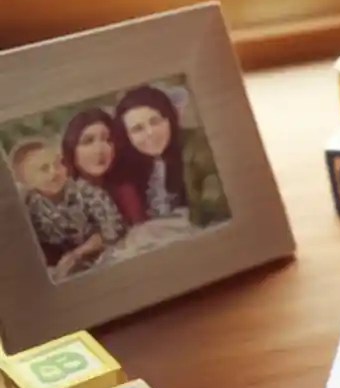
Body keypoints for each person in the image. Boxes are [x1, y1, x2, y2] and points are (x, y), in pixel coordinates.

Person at [115, 85, 230, 228]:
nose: (150, 133)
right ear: (127, 136)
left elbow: (216, 205)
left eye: (155, 121)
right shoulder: (132, 165)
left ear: (169, 119)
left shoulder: (198, 146)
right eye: (137, 129)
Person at [9, 139, 125, 280]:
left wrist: (77, 254)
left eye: (58, 164)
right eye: (44, 169)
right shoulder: (29, 208)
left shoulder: (86, 191)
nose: (55, 172)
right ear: (25, 181)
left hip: (104, 256)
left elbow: (113, 229)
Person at [61, 108, 147, 225]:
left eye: (107, 140)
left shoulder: (125, 190)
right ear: (71, 149)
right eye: (88, 141)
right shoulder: (66, 198)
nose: (99, 150)